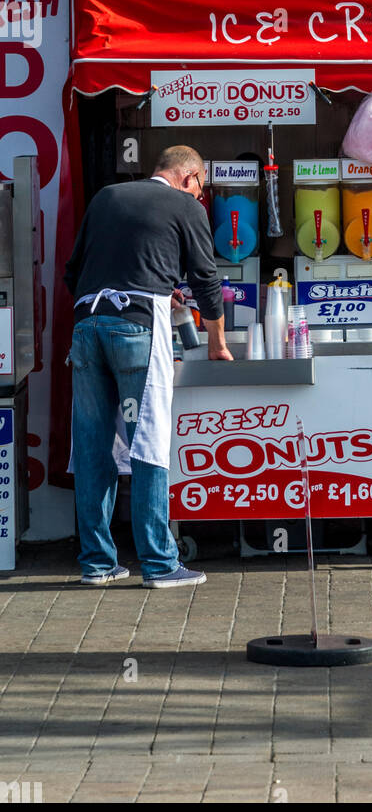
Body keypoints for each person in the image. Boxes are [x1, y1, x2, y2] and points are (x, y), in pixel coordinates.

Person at [64, 144, 232, 588]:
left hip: (86, 325)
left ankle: (97, 564)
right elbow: (206, 277)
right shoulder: (185, 205)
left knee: (92, 446)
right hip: (138, 330)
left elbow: (73, 270)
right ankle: (159, 564)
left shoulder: (107, 197)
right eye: (200, 191)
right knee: (148, 442)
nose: (199, 199)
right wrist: (217, 343)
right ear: (189, 178)